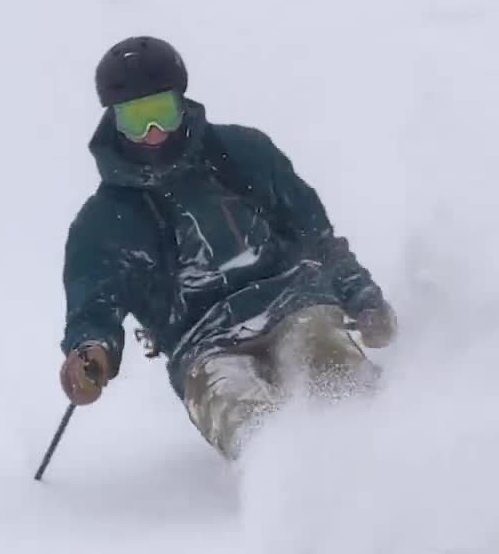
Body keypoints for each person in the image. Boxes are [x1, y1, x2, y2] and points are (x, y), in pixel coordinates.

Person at [59, 36, 396, 460]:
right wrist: (91, 353)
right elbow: (95, 303)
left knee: (334, 373)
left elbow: (315, 235)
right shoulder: (106, 220)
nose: (153, 133)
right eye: (136, 119)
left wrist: (360, 294)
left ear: (181, 103)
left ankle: (386, 462)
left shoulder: (242, 154)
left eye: (160, 112)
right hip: (204, 346)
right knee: (244, 415)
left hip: (294, 305)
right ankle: (293, 486)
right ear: (113, 120)